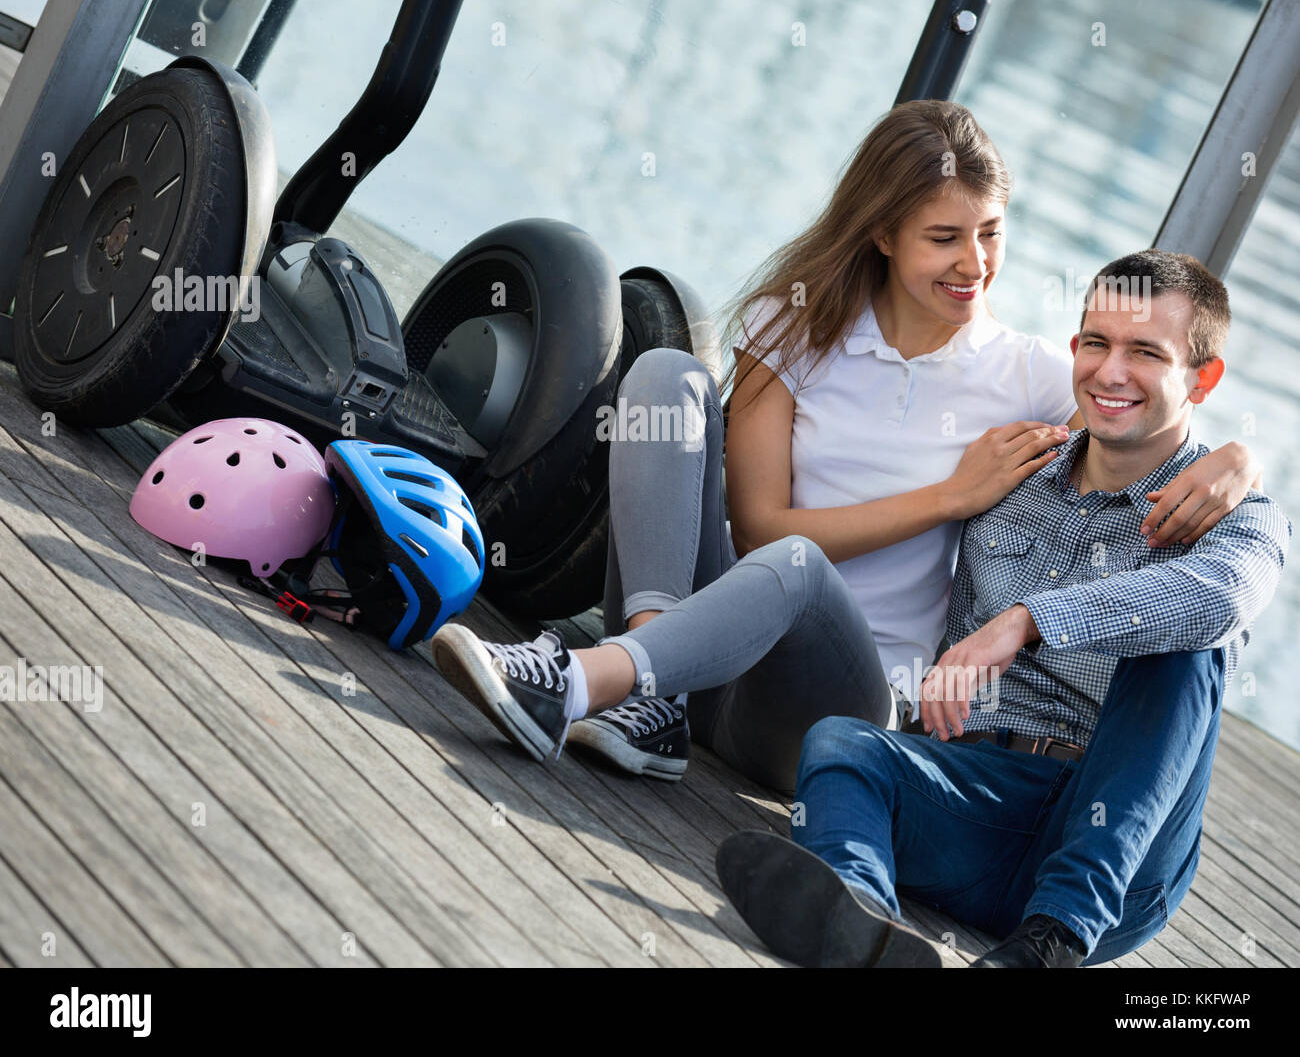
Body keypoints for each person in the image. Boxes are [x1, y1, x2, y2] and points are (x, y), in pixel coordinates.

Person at [430, 101, 1260, 794]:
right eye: (945, 237)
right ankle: (648, 701)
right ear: (884, 236)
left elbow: (1143, 417)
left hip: (828, 709)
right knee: (666, 377)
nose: (976, 264)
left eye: (992, 233)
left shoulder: (1036, 378)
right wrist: (949, 497)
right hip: (700, 655)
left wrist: (1237, 462)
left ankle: (587, 681)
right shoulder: (792, 330)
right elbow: (755, 526)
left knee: (798, 567)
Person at [714, 250, 1291, 968]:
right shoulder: (1014, 467)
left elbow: (1223, 596)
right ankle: (860, 921)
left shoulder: (1244, 517)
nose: (1111, 372)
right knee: (841, 745)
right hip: (975, 806)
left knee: (1188, 639)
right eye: (1096, 343)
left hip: (1116, 857)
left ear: (1203, 378)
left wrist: (1029, 620)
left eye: (1145, 352)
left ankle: (1053, 943)